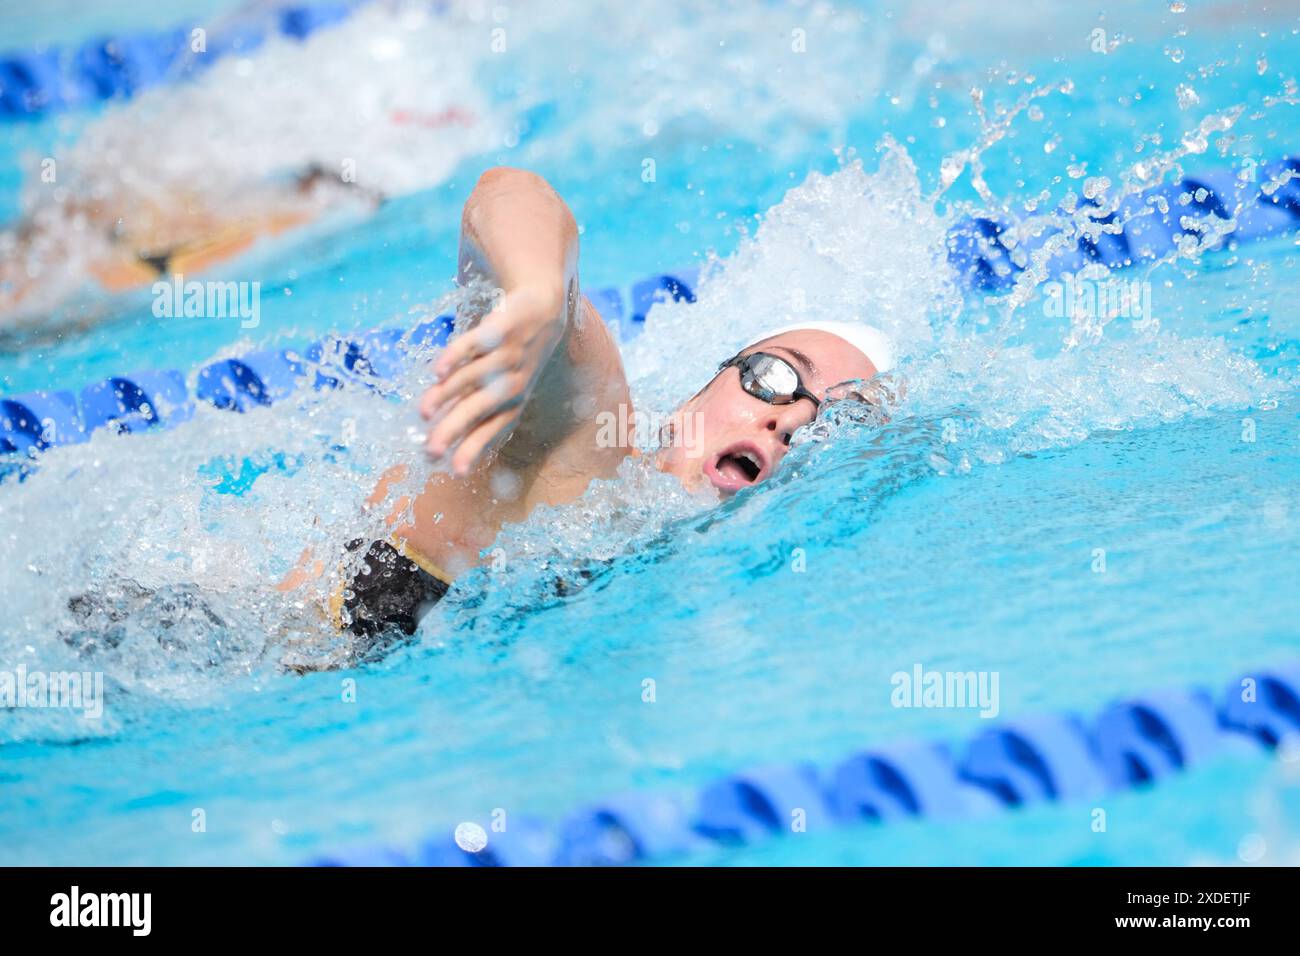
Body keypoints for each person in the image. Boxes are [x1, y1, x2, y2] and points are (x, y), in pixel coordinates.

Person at [279, 166, 895, 644]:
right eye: (774, 375)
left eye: (834, 422)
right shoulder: (587, 454)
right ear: (694, 396)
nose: (792, 418)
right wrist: (539, 297)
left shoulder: (666, 576)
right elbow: (509, 192)